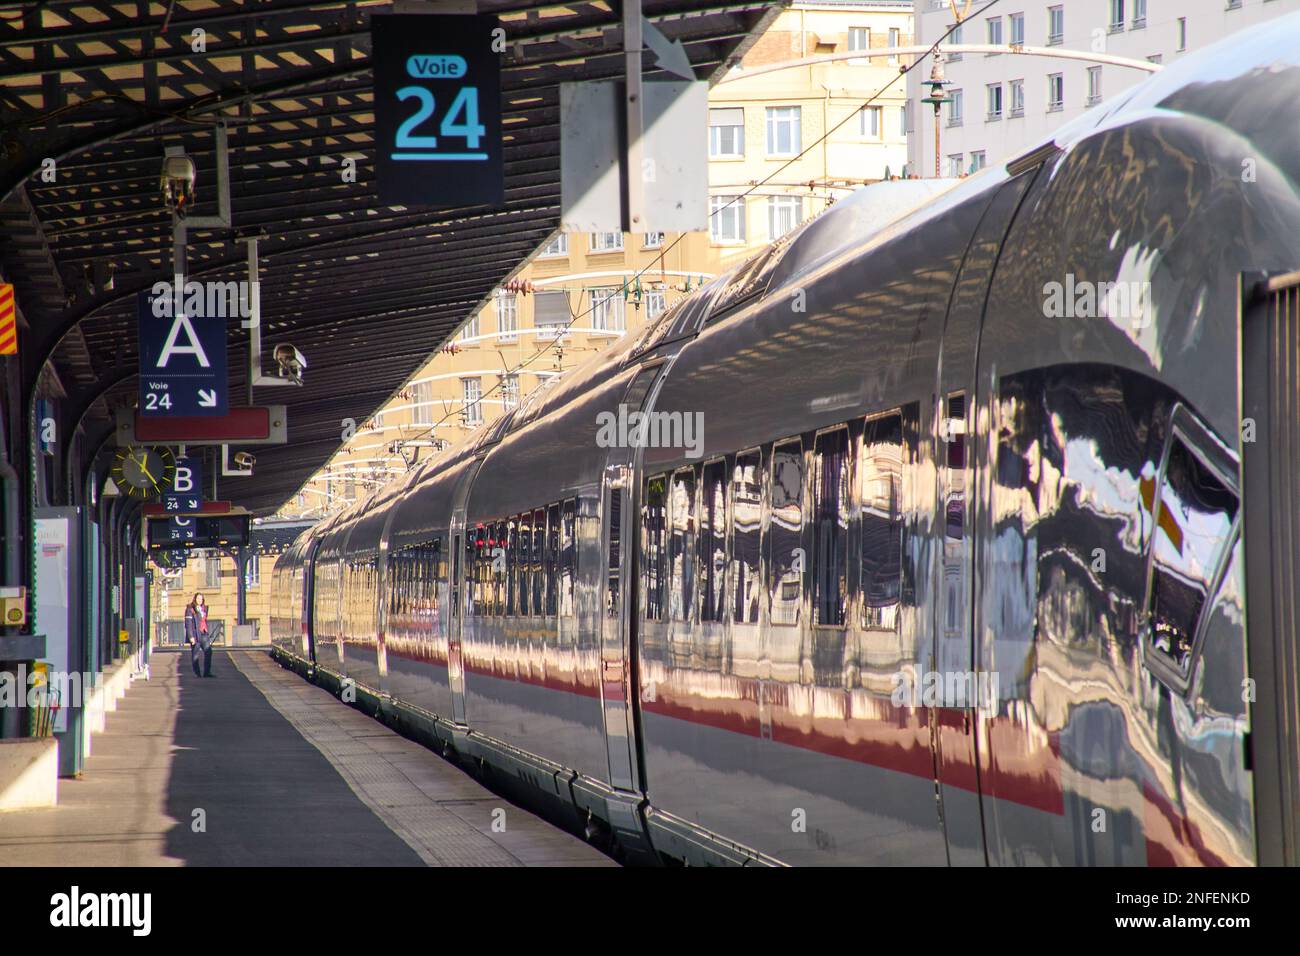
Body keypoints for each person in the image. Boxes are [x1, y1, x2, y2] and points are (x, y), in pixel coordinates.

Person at [184, 592, 214, 678]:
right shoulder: (190, 609)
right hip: (195, 635)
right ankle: (197, 673)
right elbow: (188, 624)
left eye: (201, 599)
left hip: (204, 634)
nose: (199, 600)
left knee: (208, 652)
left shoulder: (204, 609)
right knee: (195, 654)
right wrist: (191, 637)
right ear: (195, 599)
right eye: (198, 598)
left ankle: (207, 672)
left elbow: (204, 620)